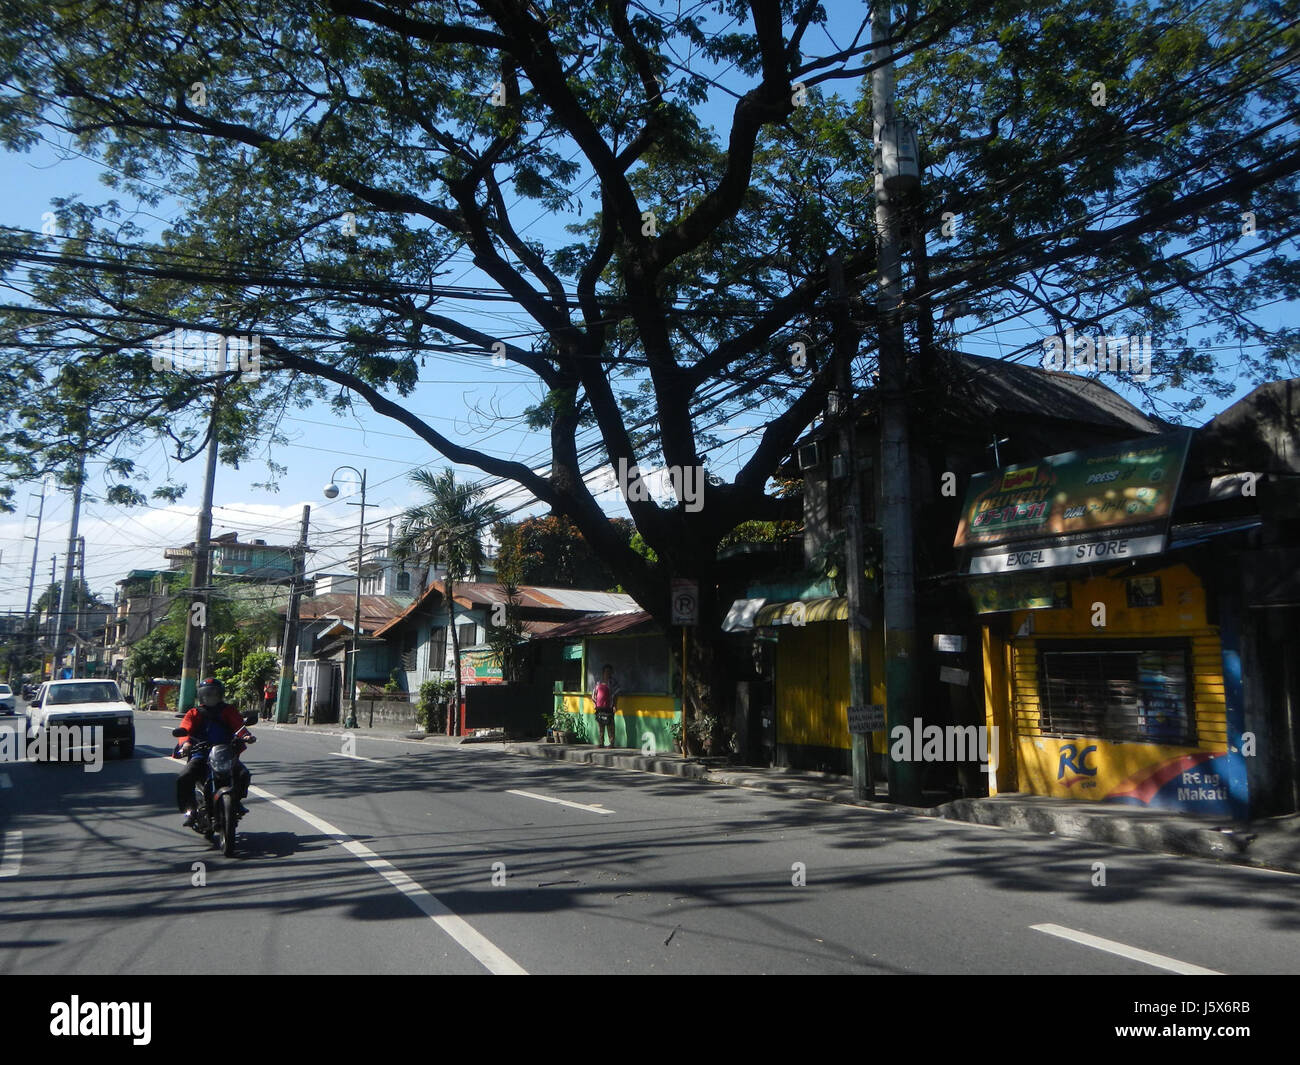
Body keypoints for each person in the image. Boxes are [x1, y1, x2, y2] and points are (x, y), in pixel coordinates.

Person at [174, 677, 254, 825]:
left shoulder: (228, 710)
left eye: (214, 694)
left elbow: (239, 726)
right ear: (201, 696)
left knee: (243, 774)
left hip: (225, 753)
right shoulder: (193, 713)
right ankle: (190, 808)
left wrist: (246, 736)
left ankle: (235, 801)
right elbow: (185, 729)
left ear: (220, 695)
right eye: (207, 694)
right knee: (184, 777)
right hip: (201, 754)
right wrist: (185, 744)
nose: (210, 697)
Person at [593, 665, 619, 748]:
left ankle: (611, 743)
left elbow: (616, 695)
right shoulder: (598, 682)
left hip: (609, 707)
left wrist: (615, 705)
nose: (608, 673)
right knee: (601, 725)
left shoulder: (613, 682)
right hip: (600, 707)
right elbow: (594, 694)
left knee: (610, 725)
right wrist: (594, 703)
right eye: (606, 671)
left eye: (609, 672)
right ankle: (601, 742)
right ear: (603, 672)